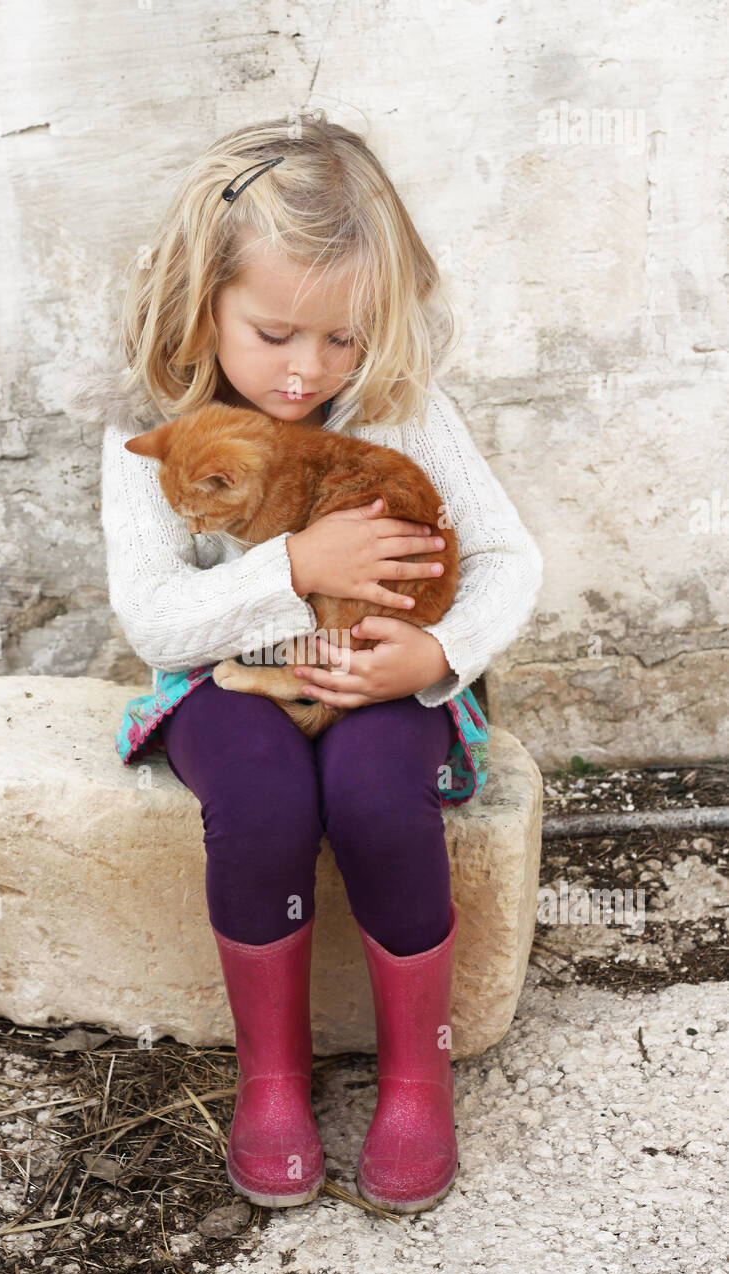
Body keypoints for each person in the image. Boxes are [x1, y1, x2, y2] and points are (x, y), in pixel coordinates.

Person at [77, 114, 543, 1215]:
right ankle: (273, 1079)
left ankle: (416, 1078)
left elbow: (506, 557)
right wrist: (292, 566)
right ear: (204, 301)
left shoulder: (400, 410)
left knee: (377, 794)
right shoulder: (154, 437)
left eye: (342, 337)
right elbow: (156, 619)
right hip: (223, 678)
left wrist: (435, 651)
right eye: (277, 332)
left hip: (377, 671)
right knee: (261, 795)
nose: (308, 369)